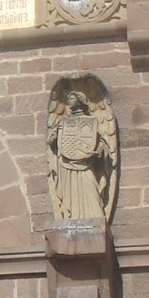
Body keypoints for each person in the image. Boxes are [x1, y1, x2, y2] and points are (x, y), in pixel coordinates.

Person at [49, 91, 112, 221]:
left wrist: (98, 151)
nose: (69, 101)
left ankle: (94, 217)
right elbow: (54, 142)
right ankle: (71, 217)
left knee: (90, 188)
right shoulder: (63, 122)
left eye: (72, 98)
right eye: (68, 98)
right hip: (66, 163)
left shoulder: (90, 121)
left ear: (79, 101)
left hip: (86, 163)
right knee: (70, 193)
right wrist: (54, 138)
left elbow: (103, 142)